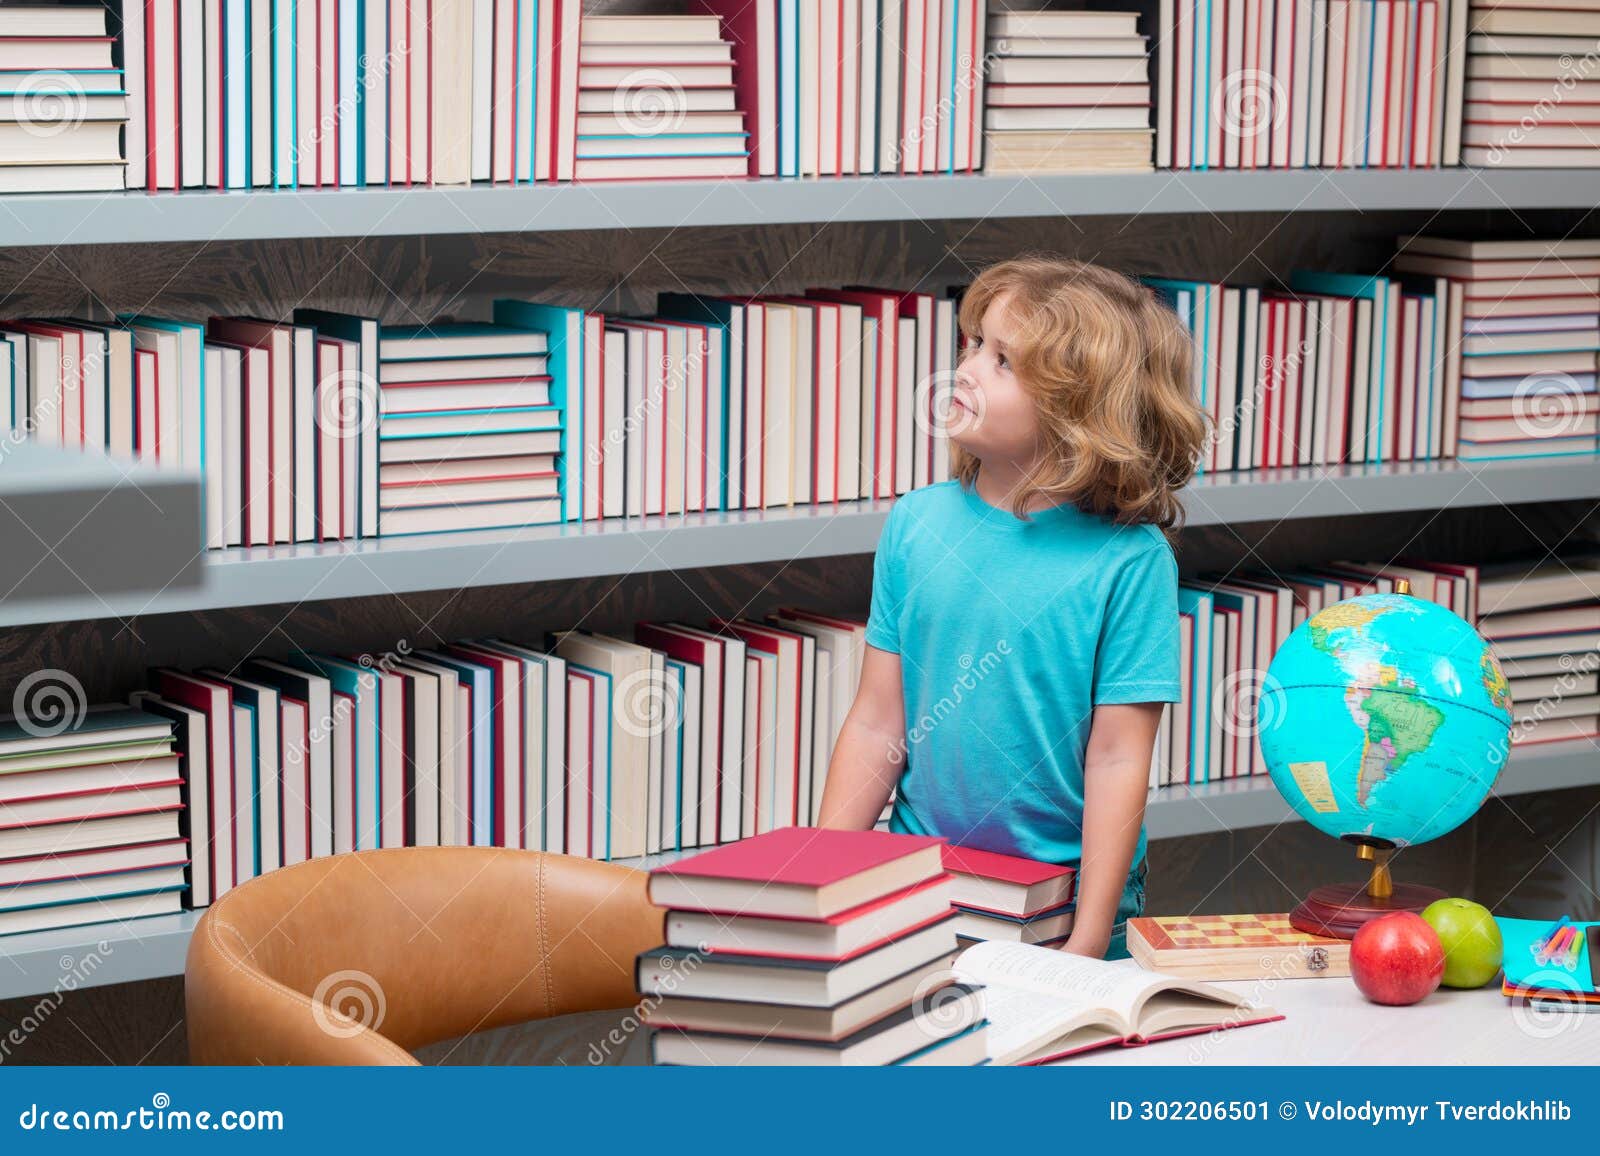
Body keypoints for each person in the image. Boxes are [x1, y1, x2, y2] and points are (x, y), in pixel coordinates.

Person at [817, 256, 1208, 959]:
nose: (964, 369)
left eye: (1002, 361)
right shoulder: (916, 524)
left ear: (1078, 410)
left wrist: (1088, 943)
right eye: (973, 344)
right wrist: (822, 884)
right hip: (920, 884)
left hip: (1064, 903)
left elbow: (1119, 761)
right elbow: (878, 722)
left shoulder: (1130, 562)